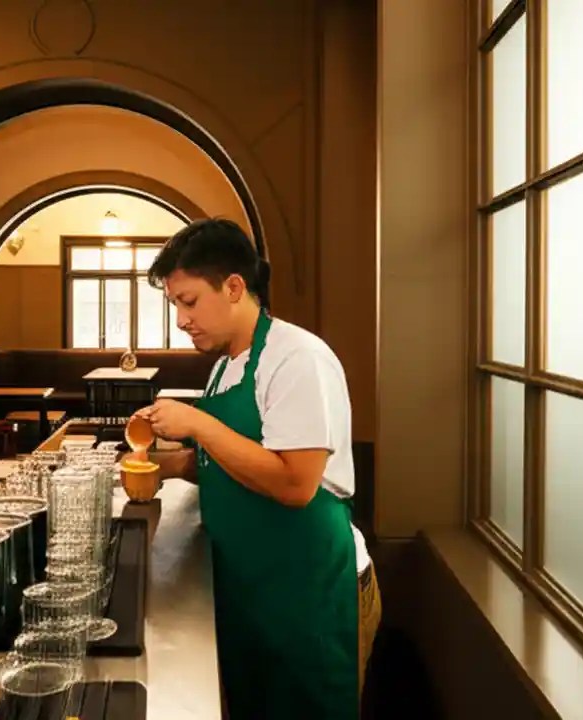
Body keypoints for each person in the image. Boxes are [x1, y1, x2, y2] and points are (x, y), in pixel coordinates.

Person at [133, 218, 381, 718]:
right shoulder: (227, 363)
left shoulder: (297, 359)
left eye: (189, 301)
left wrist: (198, 424)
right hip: (256, 588)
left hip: (311, 590)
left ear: (233, 287)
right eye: (175, 305)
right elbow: (231, 461)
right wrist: (165, 466)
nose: (182, 320)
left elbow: (295, 483)